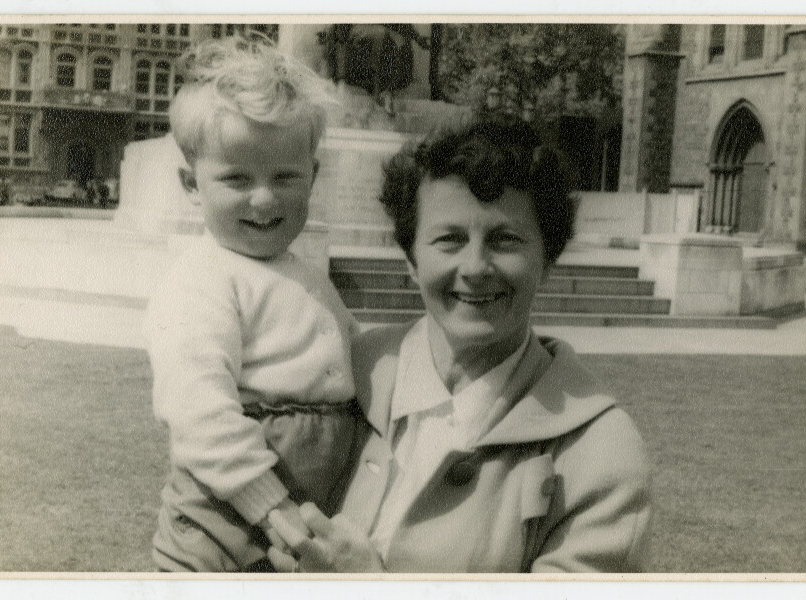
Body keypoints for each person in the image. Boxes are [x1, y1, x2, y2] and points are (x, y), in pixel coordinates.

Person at [267, 117, 653, 573]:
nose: (475, 266)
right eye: (449, 239)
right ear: (412, 260)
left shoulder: (601, 453)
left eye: (505, 239)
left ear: (548, 260)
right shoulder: (342, 374)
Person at [142, 35, 358, 573]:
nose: (264, 198)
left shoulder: (306, 278)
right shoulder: (202, 279)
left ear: (313, 174)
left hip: (291, 523)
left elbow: (356, 364)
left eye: (285, 177)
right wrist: (274, 508)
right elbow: (199, 414)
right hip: (221, 527)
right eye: (236, 179)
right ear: (192, 185)